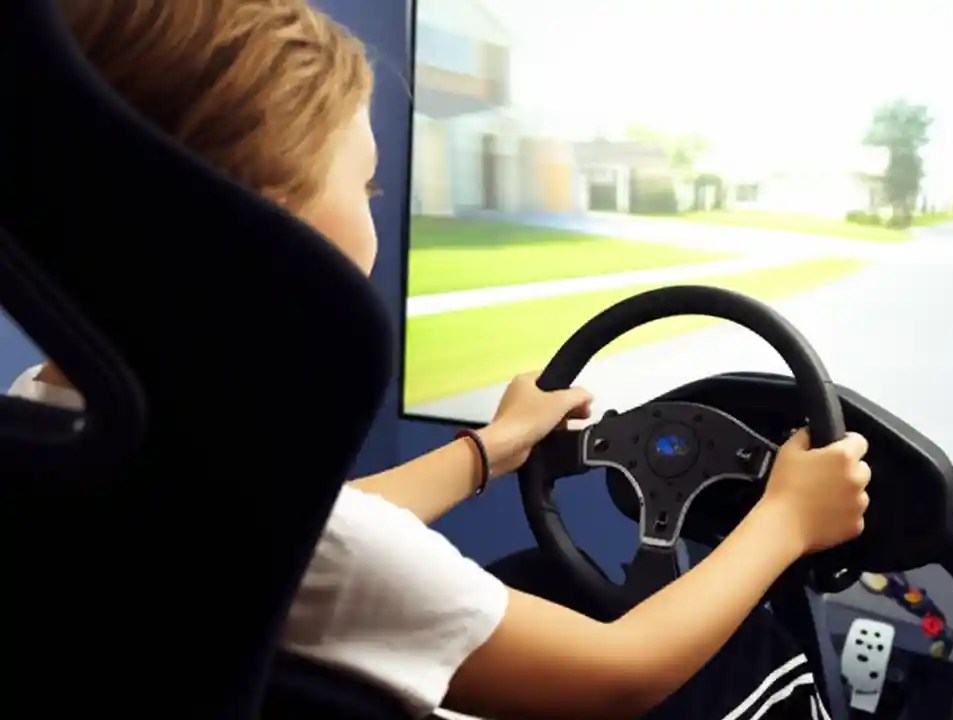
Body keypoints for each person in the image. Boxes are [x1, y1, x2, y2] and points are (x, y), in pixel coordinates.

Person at [8, 1, 873, 718]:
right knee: (760, 658)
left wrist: (488, 450)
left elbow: (304, 531)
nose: (373, 207)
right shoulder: (297, 533)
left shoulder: (53, 429)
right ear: (263, 229)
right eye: (367, 187)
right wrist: (788, 519)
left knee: (541, 578)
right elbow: (621, 672)